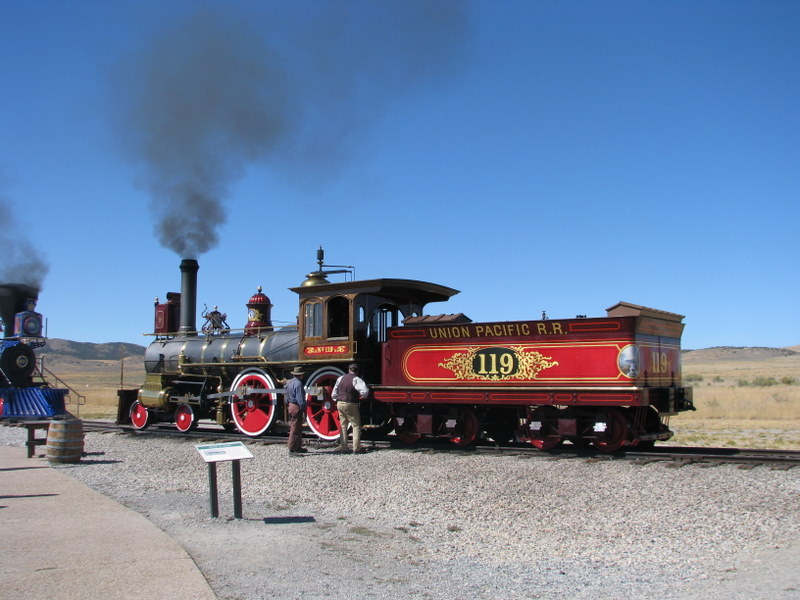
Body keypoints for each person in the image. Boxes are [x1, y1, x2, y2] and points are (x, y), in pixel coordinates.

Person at [332, 363, 369, 453]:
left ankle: (344, 447)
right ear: (357, 371)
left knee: (343, 425)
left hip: (339, 403)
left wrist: (337, 398)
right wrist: (361, 396)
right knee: (356, 425)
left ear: (349, 370)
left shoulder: (340, 378)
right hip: (350, 403)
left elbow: (334, 394)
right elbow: (365, 391)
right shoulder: (356, 379)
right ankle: (356, 448)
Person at [284, 366, 307, 454]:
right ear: (301, 375)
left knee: (297, 427)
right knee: (295, 428)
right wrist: (303, 408)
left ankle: (297, 447)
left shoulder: (289, 383)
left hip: (291, 405)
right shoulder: (299, 384)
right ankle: (292, 449)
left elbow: (285, 396)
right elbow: (300, 398)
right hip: (296, 406)